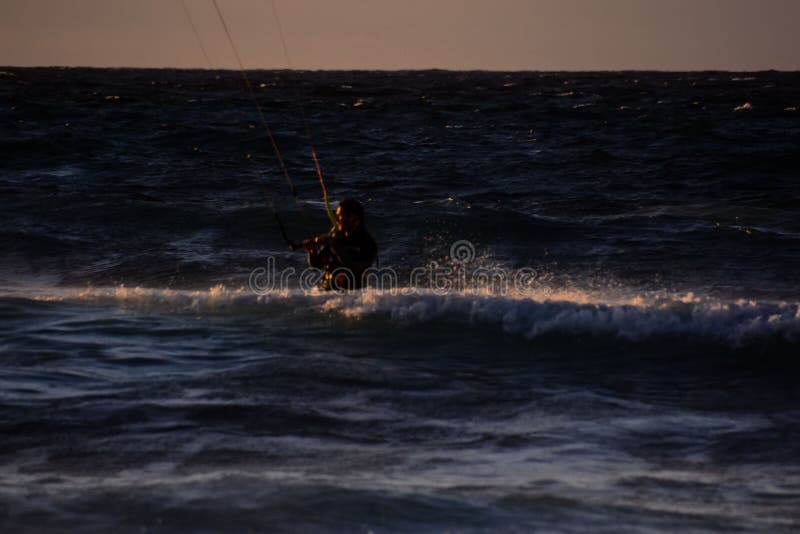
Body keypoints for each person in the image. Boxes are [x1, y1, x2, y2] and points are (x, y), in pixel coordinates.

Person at [302, 198, 377, 290]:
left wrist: (333, 243)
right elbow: (317, 266)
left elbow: (355, 265)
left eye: (340, 216)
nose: (337, 220)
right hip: (327, 296)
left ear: (352, 217)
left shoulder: (367, 243)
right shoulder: (338, 238)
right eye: (336, 216)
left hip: (354, 298)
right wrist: (312, 252)